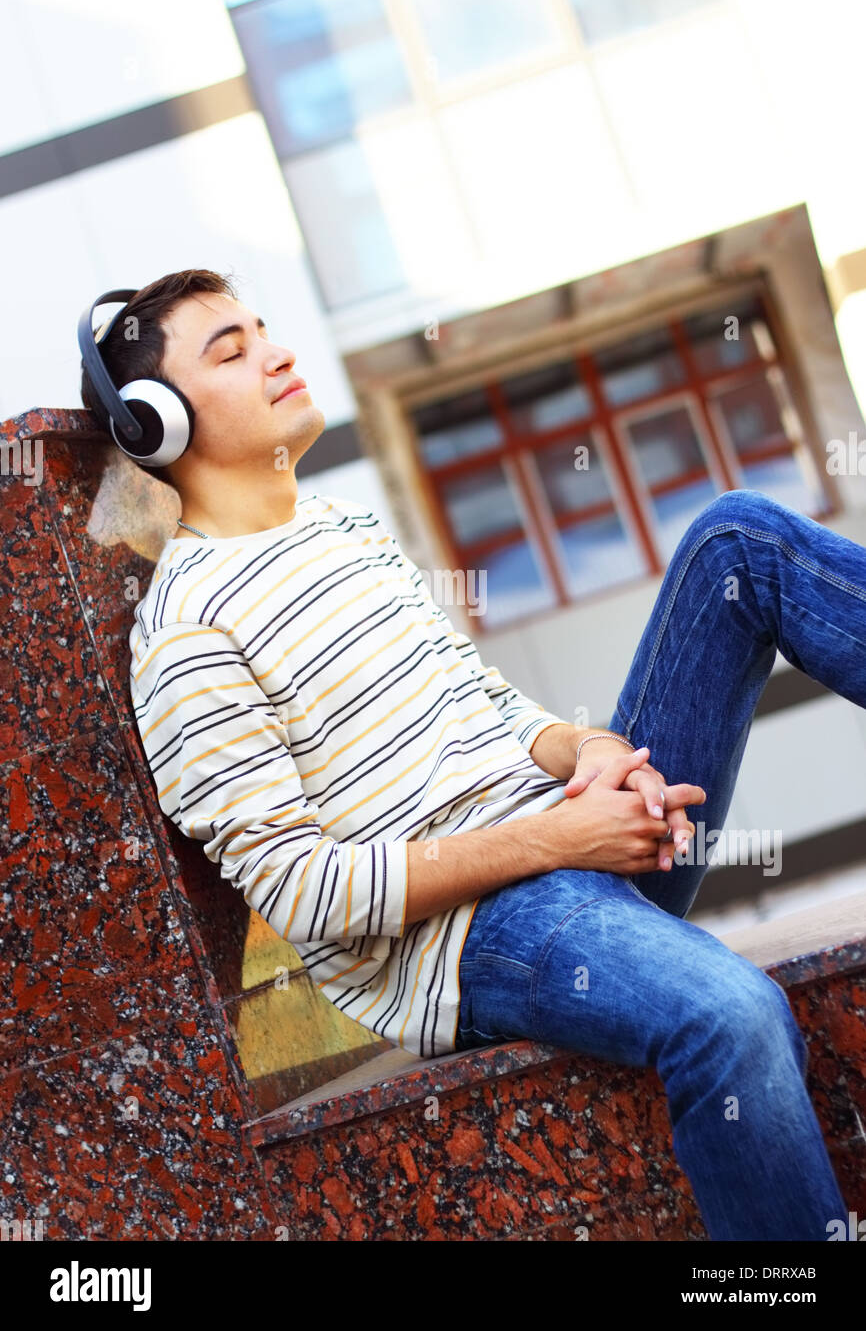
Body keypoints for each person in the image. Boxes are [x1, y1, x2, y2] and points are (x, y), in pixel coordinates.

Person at [81, 269, 860, 1241]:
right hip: (479, 936)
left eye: (264, 329)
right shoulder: (188, 634)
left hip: (579, 834)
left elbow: (483, 703)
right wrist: (560, 837)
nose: (276, 352)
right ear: (155, 423)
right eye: (230, 351)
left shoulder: (340, 531)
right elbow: (309, 892)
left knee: (735, 542)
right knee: (727, 1016)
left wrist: (590, 748)